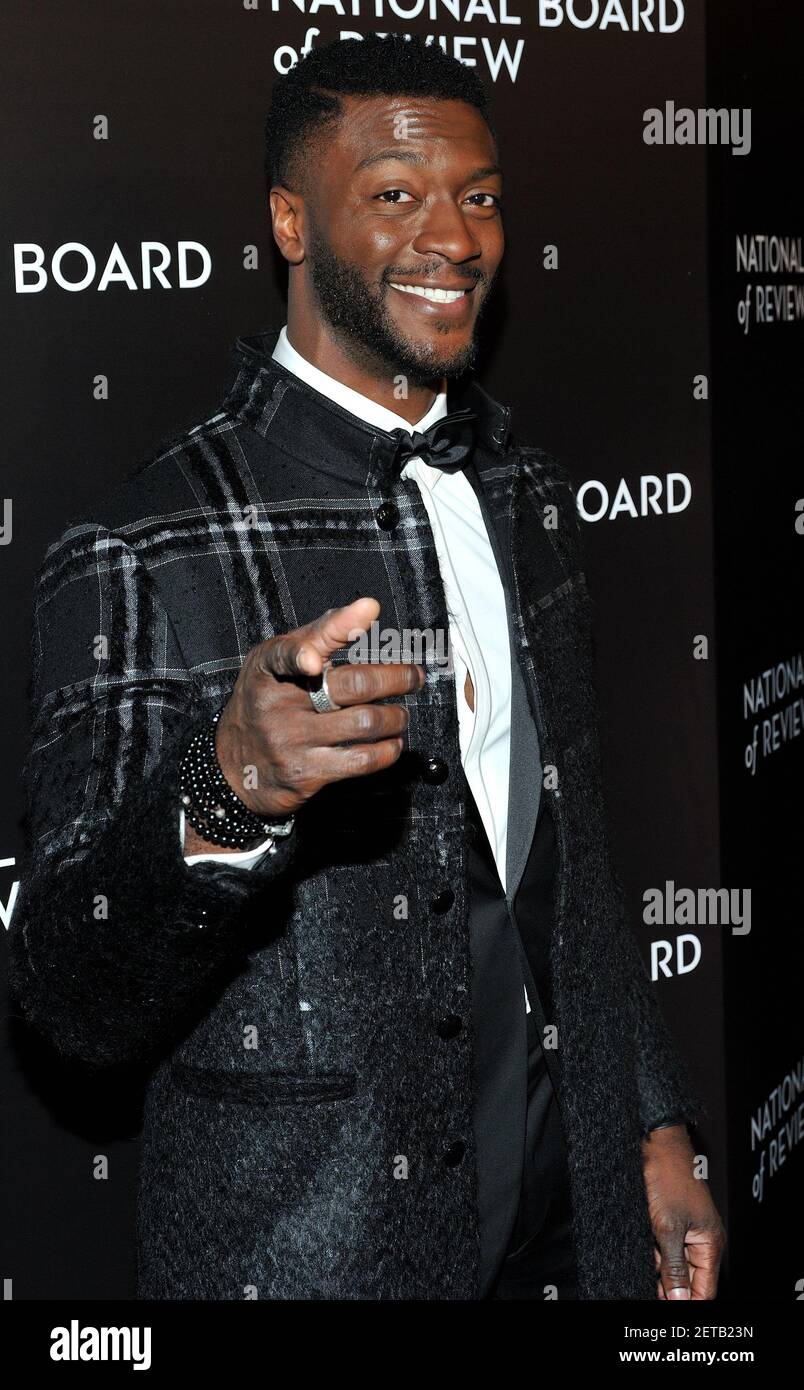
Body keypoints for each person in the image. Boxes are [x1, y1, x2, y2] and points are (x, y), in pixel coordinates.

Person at [9, 33, 725, 1301]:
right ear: (291, 222)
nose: (454, 236)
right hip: (313, 1264)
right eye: (395, 193)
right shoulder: (147, 545)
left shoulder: (526, 498)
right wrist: (227, 784)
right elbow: (73, 995)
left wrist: (651, 1124)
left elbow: (572, 866)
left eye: (480, 196)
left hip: (574, 1229)